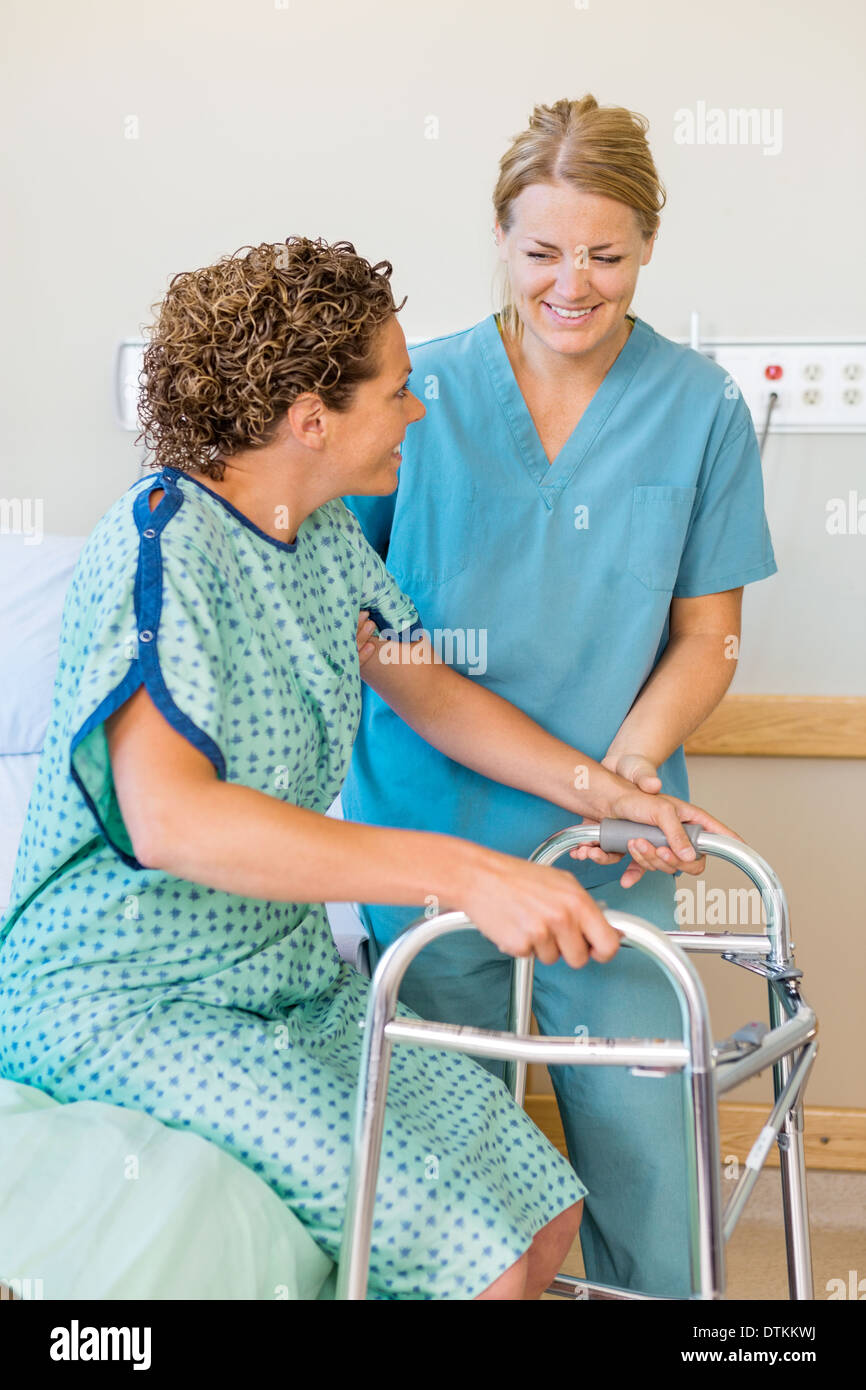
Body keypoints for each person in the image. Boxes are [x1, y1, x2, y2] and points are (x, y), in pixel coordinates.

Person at [0, 236, 731, 1301]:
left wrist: (605, 789)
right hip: (131, 999)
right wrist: (468, 873)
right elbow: (171, 821)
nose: (418, 412)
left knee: (543, 1206)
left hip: (285, 986)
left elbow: (430, 691)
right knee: (469, 1256)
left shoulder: (320, 533)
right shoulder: (161, 544)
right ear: (310, 419)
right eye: (395, 393)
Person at [342, 95, 778, 1297]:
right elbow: (380, 643)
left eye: (604, 253)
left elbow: (707, 636)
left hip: (612, 850)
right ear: (498, 238)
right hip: (427, 841)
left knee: (652, 1179)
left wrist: (628, 773)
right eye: (541, 252)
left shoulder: (696, 409)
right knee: (449, 1196)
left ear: (646, 247)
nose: (570, 283)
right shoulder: (411, 395)